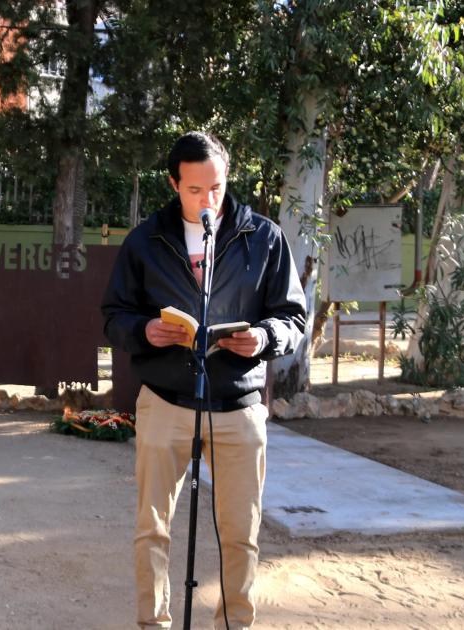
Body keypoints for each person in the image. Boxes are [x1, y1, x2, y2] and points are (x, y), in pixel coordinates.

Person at [101, 132, 307, 630]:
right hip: (166, 401)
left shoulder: (264, 237)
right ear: (174, 184)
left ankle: (234, 624)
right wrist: (145, 331)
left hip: (238, 406)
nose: (208, 199)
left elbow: (293, 317)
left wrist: (263, 337)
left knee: (241, 532)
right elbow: (113, 316)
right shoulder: (146, 241)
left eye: (216, 187)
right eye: (195, 190)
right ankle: (153, 623)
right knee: (152, 528)